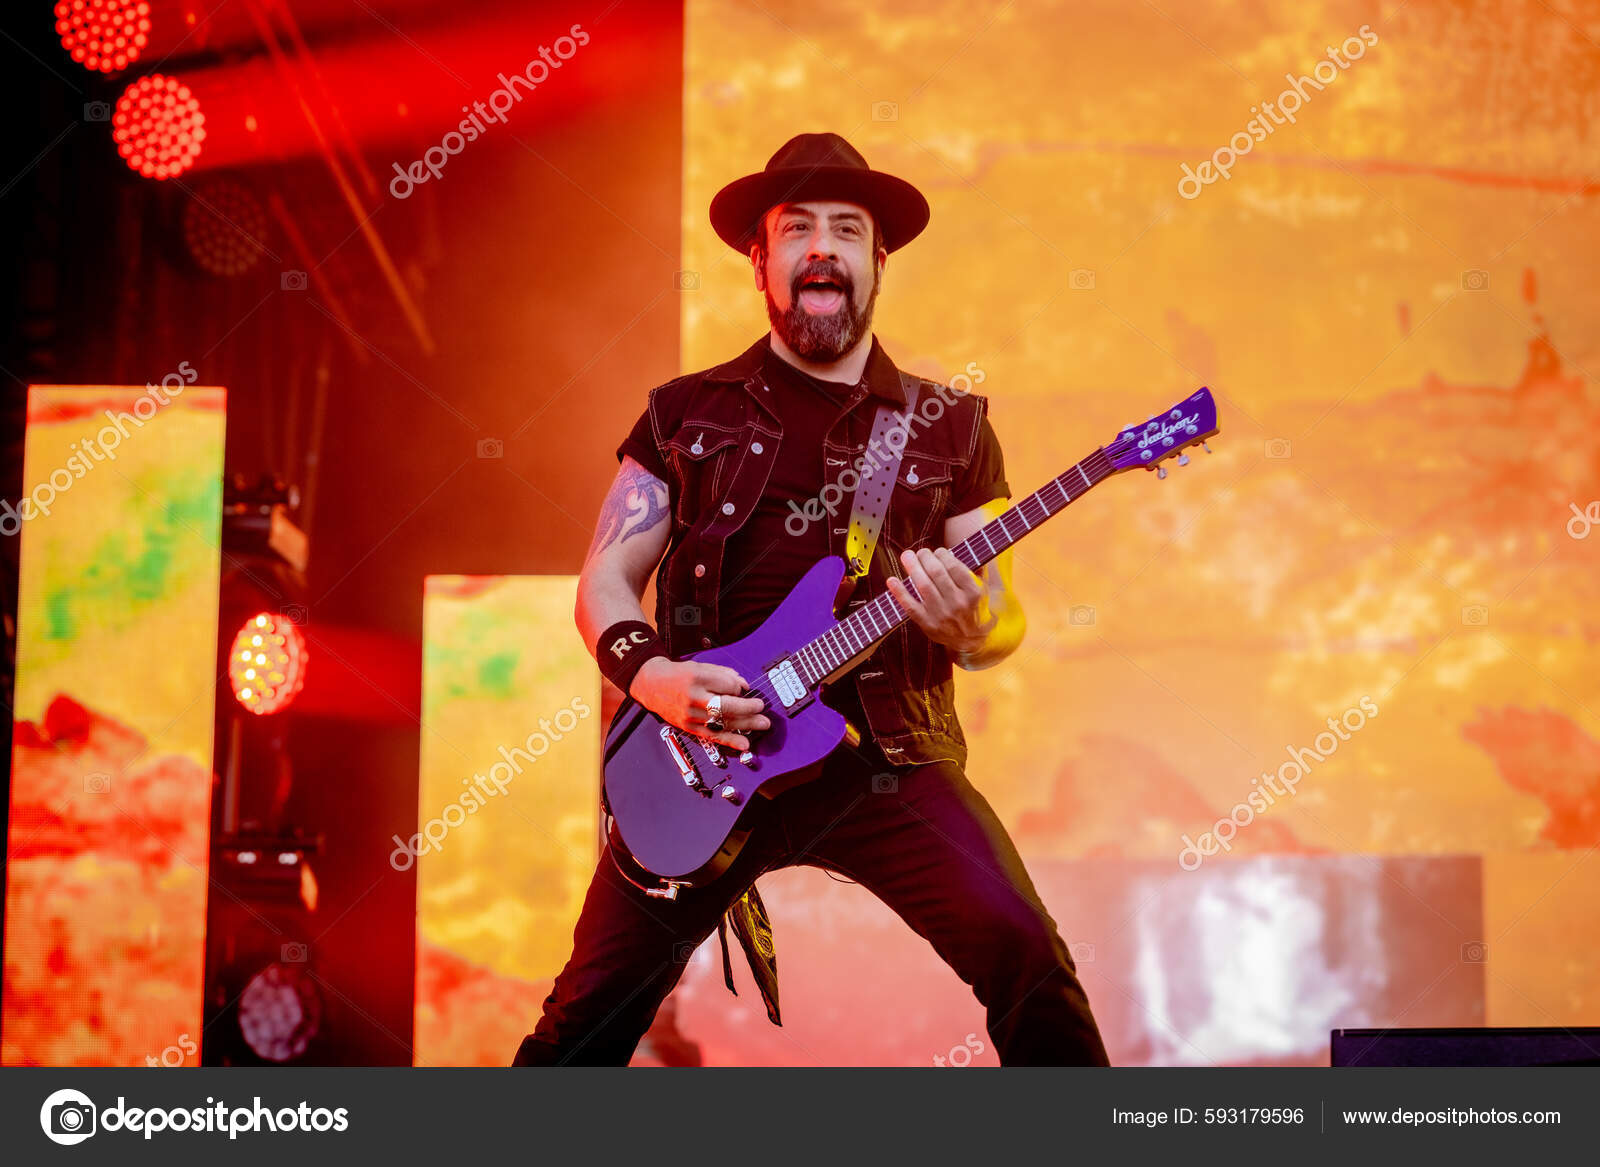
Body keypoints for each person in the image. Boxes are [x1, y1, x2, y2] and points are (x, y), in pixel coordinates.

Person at [512, 133, 1108, 1066]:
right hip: (702, 757)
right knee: (582, 1024)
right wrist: (656, 679)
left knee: (1028, 956)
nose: (822, 247)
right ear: (760, 261)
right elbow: (605, 579)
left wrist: (973, 623)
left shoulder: (950, 425)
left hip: (888, 762)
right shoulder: (684, 414)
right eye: (797, 229)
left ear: (878, 263)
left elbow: (1002, 618)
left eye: (847, 230)